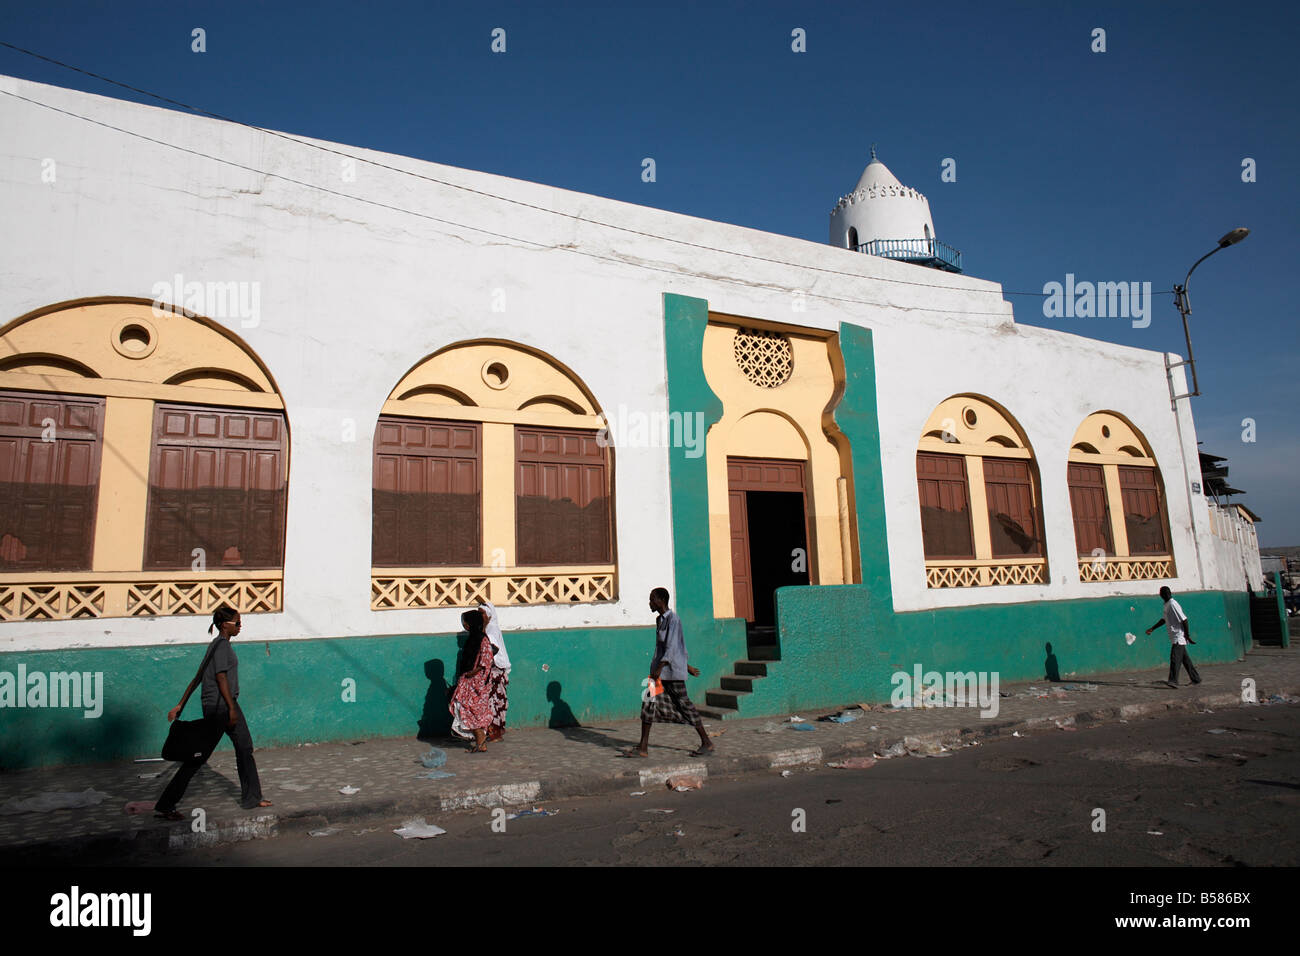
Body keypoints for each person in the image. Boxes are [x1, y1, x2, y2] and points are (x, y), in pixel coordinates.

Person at [155, 606, 271, 819]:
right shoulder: (222, 647)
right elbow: (220, 677)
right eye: (237, 622)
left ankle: (166, 804)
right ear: (224, 625)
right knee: (242, 749)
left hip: (214, 706)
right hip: (222, 707)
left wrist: (181, 703)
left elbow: (197, 677)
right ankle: (252, 798)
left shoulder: (214, 646)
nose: (240, 626)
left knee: (205, 756)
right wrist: (231, 709)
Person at [623, 588, 712, 758]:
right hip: (660, 672)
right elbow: (668, 648)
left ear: (661, 600)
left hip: (670, 673)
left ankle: (707, 742)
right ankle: (643, 747)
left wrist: (662, 668)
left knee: (684, 705)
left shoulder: (674, 620)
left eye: (652, 600)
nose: (650, 603)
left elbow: (673, 647)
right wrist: (687, 666)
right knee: (648, 703)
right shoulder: (660, 620)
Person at [450, 609, 497, 753]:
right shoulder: (474, 638)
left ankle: (481, 741)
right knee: (466, 710)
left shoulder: (482, 640)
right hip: (468, 683)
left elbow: (486, 661)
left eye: (465, 622)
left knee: (472, 712)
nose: (464, 625)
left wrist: (472, 673)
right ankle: (480, 743)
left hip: (477, 683)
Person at [1145, 586, 1201, 687]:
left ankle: (1173, 681)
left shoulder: (1173, 604)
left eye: (1165, 593)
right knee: (1185, 660)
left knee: (1175, 658)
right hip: (1175, 637)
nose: (1164, 595)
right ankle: (1196, 679)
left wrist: (1187, 635)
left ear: (1166, 594)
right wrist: (1152, 628)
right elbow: (1164, 619)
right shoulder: (1167, 605)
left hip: (1178, 637)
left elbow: (1184, 619)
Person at [478, 602, 510, 742]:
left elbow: (492, 650)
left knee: (494, 702)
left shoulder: (491, 630)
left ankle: (495, 733)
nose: (481, 616)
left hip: (495, 670)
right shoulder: (485, 629)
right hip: (491, 670)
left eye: (482, 613)